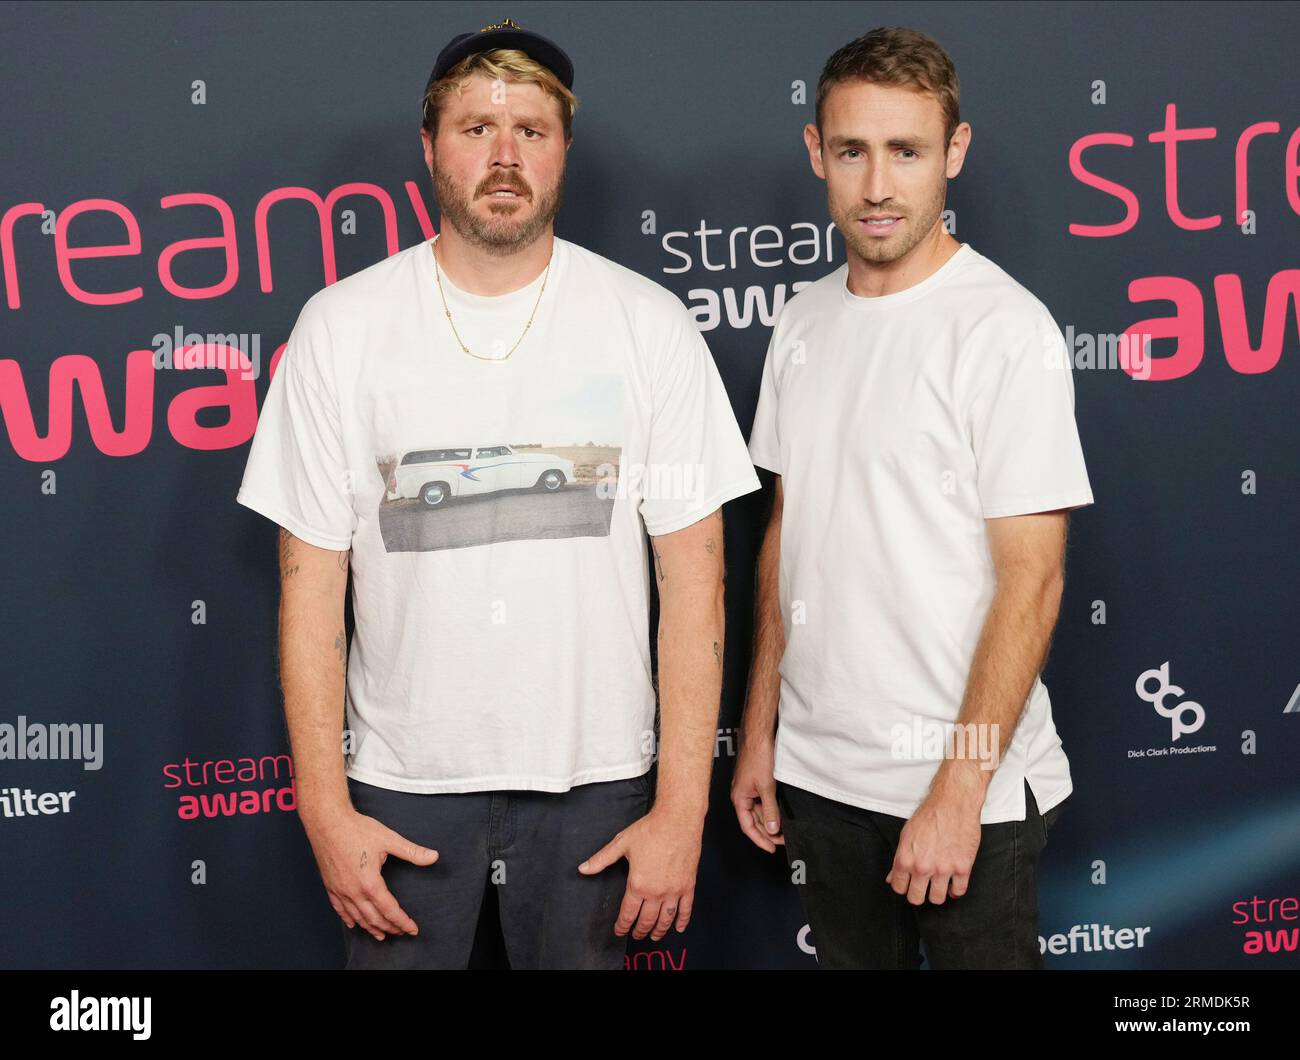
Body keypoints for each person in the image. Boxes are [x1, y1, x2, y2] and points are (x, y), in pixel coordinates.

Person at [236, 19, 760, 969]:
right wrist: (323, 805)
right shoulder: (339, 330)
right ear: (430, 146)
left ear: (565, 149)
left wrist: (682, 808)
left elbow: (697, 583)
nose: (505, 155)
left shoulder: (649, 326)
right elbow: (310, 586)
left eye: (531, 129)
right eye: (477, 128)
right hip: (398, 789)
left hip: (599, 786)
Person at [732, 25, 1094, 969]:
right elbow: (788, 533)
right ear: (817, 154)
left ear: (954, 153)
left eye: (908, 151)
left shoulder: (1002, 330)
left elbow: (1035, 582)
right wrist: (761, 731)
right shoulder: (801, 322)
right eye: (853, 151)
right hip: (821, 780)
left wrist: (958, 793)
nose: (879, 185)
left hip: (959, 792)